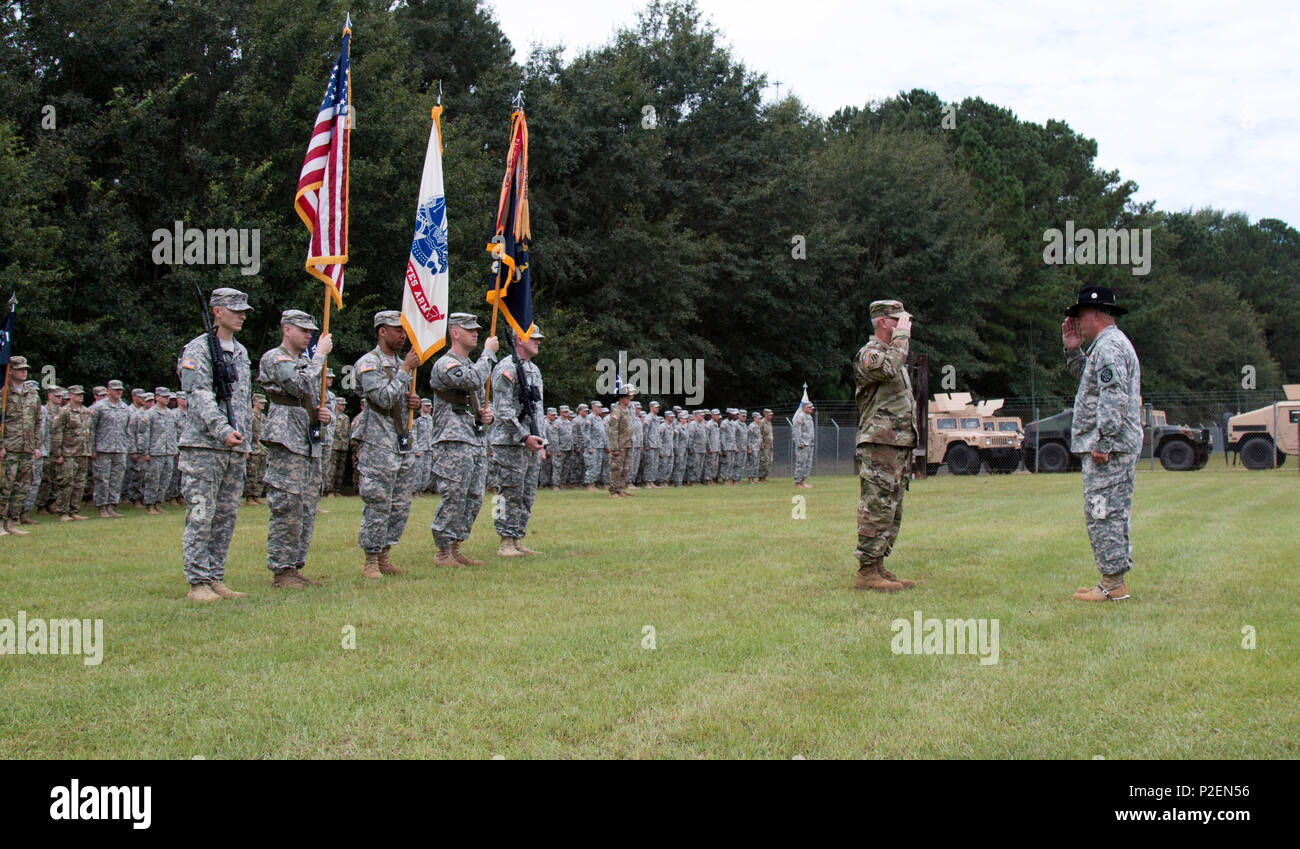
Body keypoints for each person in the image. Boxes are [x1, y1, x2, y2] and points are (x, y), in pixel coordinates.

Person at [1063, 287, 1142, 602]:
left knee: (1104, 512)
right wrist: (1072, 350)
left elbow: (1113, 397)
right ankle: (1110, 580)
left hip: (1109, 450)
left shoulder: (1109, 347)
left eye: (1080, 316)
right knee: (1104, 511)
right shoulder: (1105, 346)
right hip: (1110, 446)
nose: (1076, 323)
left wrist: (1104, 441)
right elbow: (1091, 384)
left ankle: (1112, 585)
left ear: (1096, 314)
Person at [178, 287, 254, 602]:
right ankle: (197, 582)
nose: (241, 315)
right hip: (204, 446)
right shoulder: (197, 350)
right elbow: (198, 396)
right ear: (217, 312)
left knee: (225, 515)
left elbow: (243, 400)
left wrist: (243, 438)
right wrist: (221, 429)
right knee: (201, 513)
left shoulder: (240, 352)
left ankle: (215, 576)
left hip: (234, 447)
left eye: (243, 310)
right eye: (234, 309)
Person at [258, 309, 333, 587]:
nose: (309, 335)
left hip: (307, 438)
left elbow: (310, 396)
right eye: (303, 330)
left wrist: (321, 413)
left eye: (311, 331)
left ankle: (295, 566)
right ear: (286, 329)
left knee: (306, 506)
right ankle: (281, 569)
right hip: (286, 438)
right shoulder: (275, 358)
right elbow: (299, 385)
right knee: (287, 504)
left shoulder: (303, 360)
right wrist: (320, 357)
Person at [851, 299, 919, 591]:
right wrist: (901, 339)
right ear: (882, 322)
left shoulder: (895, 355)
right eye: (898, 321)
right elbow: (889, 368)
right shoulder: (870, 355)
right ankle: (866, 571)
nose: (904, 326)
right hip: (879, 443)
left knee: (892, 506)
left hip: (896, 444)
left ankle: (878, 564)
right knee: (877, 504)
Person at [353, 310, 420, 578]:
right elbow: (382, 398)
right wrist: (405, 370)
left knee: (400, 503)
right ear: (382, 331)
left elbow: (399, 399)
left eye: (403, 330)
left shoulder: (401, 363)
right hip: (378, 442)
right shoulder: (369, 363)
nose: (402, 335)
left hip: (401, 441)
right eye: (396, 330)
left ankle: (384, 555)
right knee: (378, 501)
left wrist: (411, 401)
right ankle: (370, 560)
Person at [428, 312, 498, 566]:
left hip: (472, 437)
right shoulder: (446, 364)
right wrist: (488, 353)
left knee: (473, 496)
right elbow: (472, 381)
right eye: (469, 329)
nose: (476, 333)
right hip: (452, 439)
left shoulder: (470, 365)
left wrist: (482, 415)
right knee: (454, 495)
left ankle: (456, 545)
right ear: (454, 332)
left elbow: (472, 397)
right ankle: (442, 551)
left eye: (477, 329)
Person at [488, 324, 547, 553]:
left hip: (531, 443)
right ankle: (505, 540)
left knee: (526, 493)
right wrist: (523, 436)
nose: (538, 341)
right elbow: (502, 409)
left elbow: (537, 410)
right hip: (510, 442)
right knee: (508, 492)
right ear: (518, 340)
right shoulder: (506, 368)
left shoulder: (534, 369)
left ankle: (517, 538)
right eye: (533, 338)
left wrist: (541, 440)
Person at [0, 357, 41, 536]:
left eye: (25, 369)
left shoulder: (32, 393)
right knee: (4, 487)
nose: (24, 371)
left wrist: (36, 444)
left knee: (21, 487)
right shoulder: (3, 393)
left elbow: (38, 420)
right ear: (11, 370)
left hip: (27, 448)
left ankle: (11, 522)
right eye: (20, 369)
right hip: (8, 448)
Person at [50, 385, 93, 521]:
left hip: (83, 452)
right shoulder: (65, 412)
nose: (80, 396)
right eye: (77, 394)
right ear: (70, 395)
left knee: (80, 483)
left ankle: (74, 510)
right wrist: (57, 454)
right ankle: (63, 512)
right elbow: (56, 432)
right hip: (68, 453)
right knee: (66, 483)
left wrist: (89, 450)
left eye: (81, 394)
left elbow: (89, 432)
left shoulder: (86, 412)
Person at [140, 387, 178, 514]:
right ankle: (149, 505)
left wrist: (174, 449)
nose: (167, 399)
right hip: (155, 452)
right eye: (164, 397)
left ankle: (157, 503)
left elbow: (174, 433)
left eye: (168, 397)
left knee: (165, 479)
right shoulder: (149, 414)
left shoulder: (170, 414)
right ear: (157, 397)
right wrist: (145, 452)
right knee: (152, 479)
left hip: (168, 452)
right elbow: (144, 434)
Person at [607, 384, 636, 497]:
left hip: (627, 444)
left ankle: (620, 489)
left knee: (625, 468)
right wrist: (614, 448)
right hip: (619, 445)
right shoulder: (617, 411)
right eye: (628, 397)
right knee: (616, 468)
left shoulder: (626, 411)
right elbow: (612, 430)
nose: (629, 400)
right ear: (622, 398)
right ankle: (613, 491)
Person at [244, 394, 268, 505]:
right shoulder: (250, 416)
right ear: (254, 402)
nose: (262, 404)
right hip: (253, 449)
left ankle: (257, 495)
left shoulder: (263, 417)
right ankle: (249, 497)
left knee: (261, 474)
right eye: (260, 402)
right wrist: (246, 449)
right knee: (251, 474)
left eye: (263, 403)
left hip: (262, 450)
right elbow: (247, 433)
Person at [328, 396, 351, 496]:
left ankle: (337, 489)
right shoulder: (332, 416)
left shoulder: (346, 418)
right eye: (341, 405)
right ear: (337, 405)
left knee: (340, 469)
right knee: (331, 468)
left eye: (344, 405)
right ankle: (329, 490)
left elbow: (348, 432)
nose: (343, 406)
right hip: (334, 445)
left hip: (343, 446)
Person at [792, 401, 815, 488]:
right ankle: (797, 483)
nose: (811, 409)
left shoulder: (809, 417)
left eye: (811, 408)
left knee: (807, 464)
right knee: (800, 463)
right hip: (803, 444)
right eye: (809, 407)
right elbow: (796, 430)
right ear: (804, 408)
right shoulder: (800, 416)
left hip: (809, 443)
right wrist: (799, 443)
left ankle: (802, 481)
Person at [759, 409, 774, 482]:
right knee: (764, 461)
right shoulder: (762, 422)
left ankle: (765, 476)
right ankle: (761, 477)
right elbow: (760, 434)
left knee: (769, 461)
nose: (771, 416)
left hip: (770, 445)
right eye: (770, 414)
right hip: (764, 445)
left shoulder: (769, 423)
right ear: (765, 415)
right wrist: (761, 444)